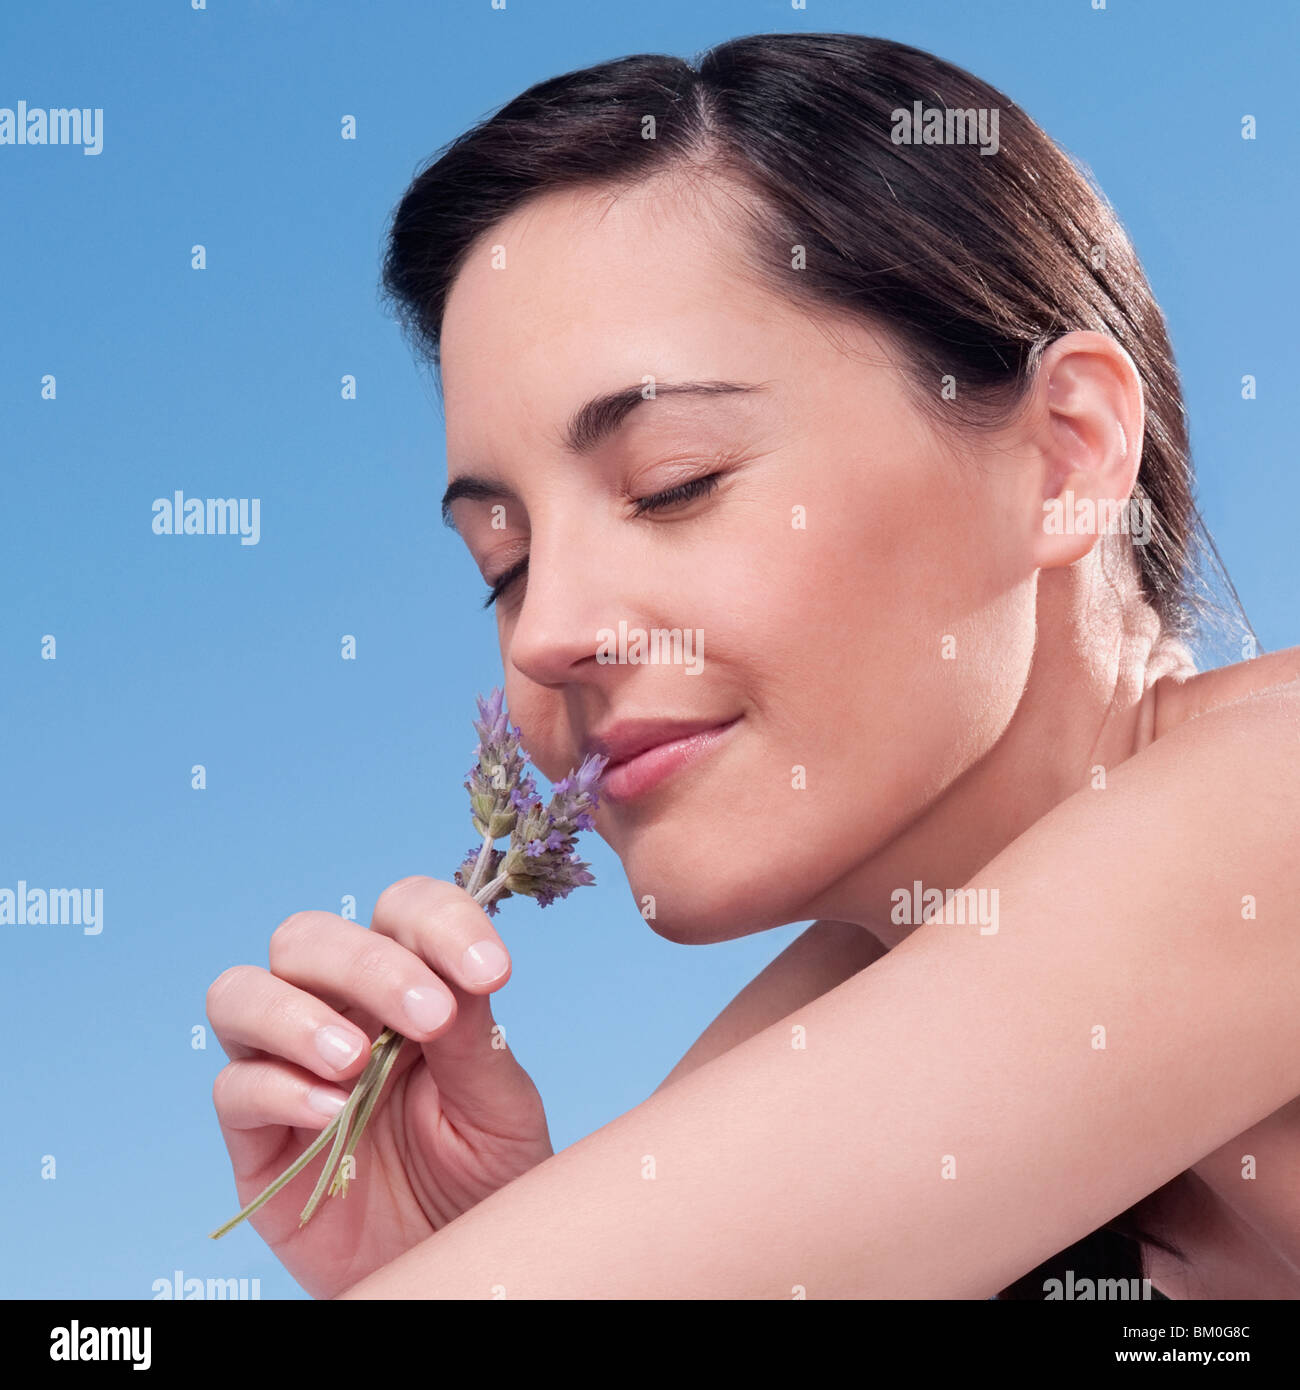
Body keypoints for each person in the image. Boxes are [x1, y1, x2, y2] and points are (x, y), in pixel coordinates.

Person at [206, 33, 1300, 1300]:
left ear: (1064, 454)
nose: (548, 632)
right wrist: (459, 1255)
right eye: (501, 562)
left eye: (676, 483)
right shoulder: (819, 1028)